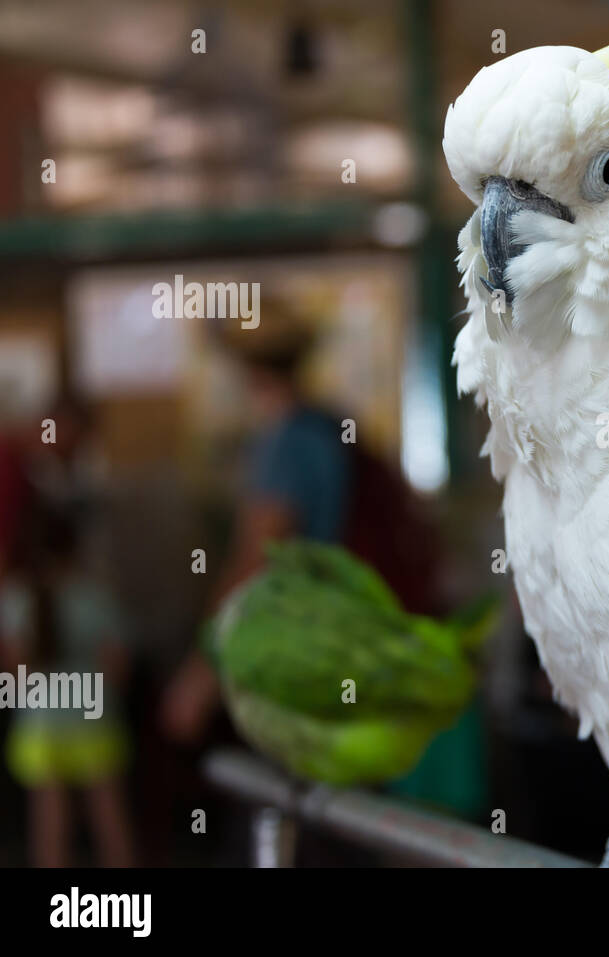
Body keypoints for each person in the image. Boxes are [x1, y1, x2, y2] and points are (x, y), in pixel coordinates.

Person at [160, 302, 353, 743]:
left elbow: (256, 560)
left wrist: (201, 672)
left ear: (248, 369)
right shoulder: (327, 428)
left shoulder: (283, 442)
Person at [1, 506, 133, 867]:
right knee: (109, 822)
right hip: (94, 719)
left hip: (40, 724)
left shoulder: (15, 597)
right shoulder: (96, 596)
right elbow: (118, 666)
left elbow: (13, 670)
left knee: (50, 829)